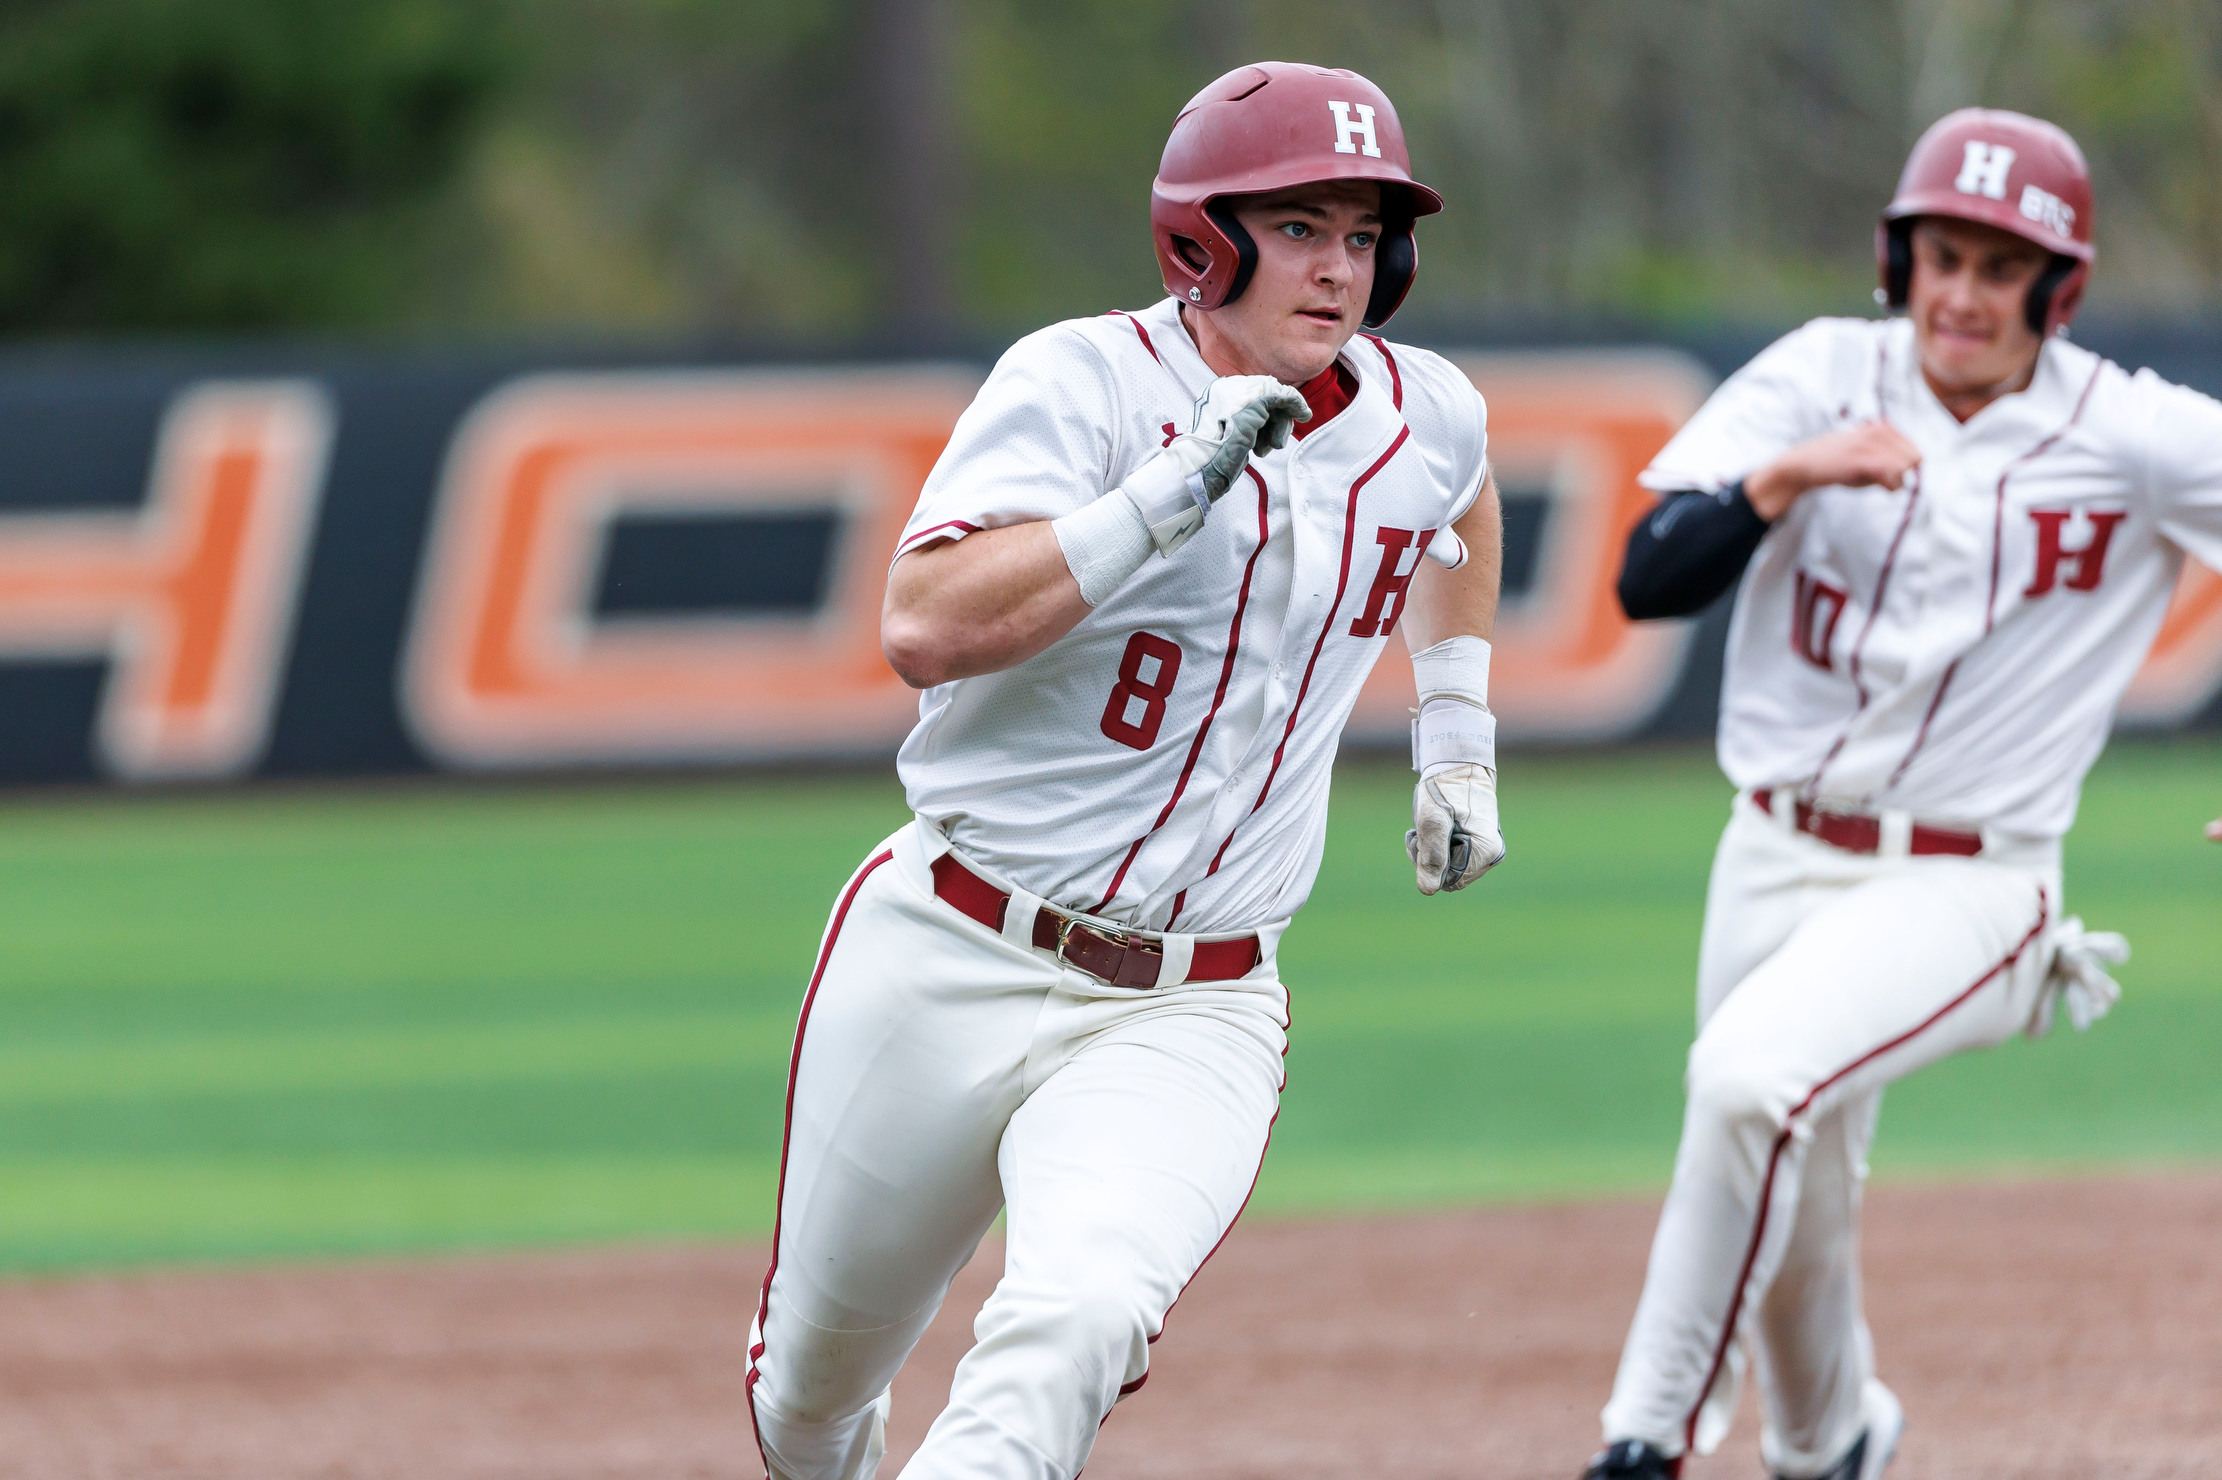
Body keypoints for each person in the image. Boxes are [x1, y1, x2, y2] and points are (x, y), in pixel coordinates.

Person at [747, 61, 1506, 1480]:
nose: (1335, 268)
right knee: (807, 1395)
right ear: (1198, 238)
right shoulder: (1079, 382)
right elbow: (924, 627)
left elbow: (1459, 489)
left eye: (1361, 234)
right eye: (1296, 227)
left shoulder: (1424, 410)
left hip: (1193, 1003)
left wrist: (1453, 735)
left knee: (1079, 1313)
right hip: (947, 943)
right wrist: (1159, 501)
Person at [1583, 107, 2222, 1480]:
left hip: (1973, 880)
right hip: (1768, 854)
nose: (1963, 295)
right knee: (1793, 1199)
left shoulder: (2131, 433)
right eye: (1942, 256)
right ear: (1897, 260)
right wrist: (1784, 476)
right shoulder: (1818, 377)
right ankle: (1831, 1445)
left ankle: (1643, 1441)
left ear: (2058, 288)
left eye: (2001, 268)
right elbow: (1649, 577)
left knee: (1746, 1086)